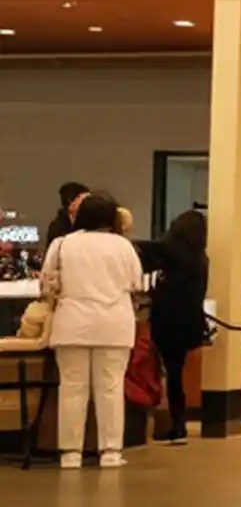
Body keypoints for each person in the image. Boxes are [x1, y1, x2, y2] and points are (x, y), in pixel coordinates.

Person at [41, 195, 141, 469]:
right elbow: (136, 282)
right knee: (110, 388)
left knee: (72, 389)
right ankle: (110, 451)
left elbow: (47, 285)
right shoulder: (123, 246)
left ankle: (70, 453)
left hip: (71, 324)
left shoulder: (61, 245)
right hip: (114, 325)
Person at [149, 210, 208, 445]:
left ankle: (171, 422)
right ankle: (178, 421)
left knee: (164, 371)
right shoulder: (200, 259)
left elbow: (146, 249)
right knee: (176, 373)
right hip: (190, 320)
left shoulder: (171, 251)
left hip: (167, 320)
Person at [44, 182, 89, 253]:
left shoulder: (89, 223)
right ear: (71, 202)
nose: (89, 203)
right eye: (84, 200)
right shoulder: (58, 228)